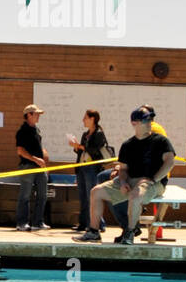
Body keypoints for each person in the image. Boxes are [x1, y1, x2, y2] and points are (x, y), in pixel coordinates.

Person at [74, 106, 176, 244]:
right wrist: (122, 182)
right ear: (135, 123)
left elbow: (169, 162)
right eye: (146, 121)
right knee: (96, 192)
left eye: (150, 121)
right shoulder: (128, 144)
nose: (150, 123)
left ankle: (129, 232)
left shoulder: (161, 141)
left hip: (152, 182)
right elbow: (122, 169)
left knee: (135, 195)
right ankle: (93, 231)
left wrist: (153, 179)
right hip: (131, 180)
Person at [71, 109, 111, 233]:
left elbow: (95, 151)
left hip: (92, 169)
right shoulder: (85, 134)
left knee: (92, 196)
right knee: (83, 196)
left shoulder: (99, 134)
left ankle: (98, 224)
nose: (83, 120)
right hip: (82, 167)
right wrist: (76, 147)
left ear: (92, 119)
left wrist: (81, 146)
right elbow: (82, 151)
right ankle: (83, 223)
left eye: (85, 118)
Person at [14, 103, 50, 231]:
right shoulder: (22, 131)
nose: (38, 116)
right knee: (25, 195)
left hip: (40, 168)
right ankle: (22, 223)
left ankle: (38, 222)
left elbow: (39, 148)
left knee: (43, 195)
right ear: (28, 115)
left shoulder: (36, 130)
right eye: (36, 114)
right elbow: (20, 151)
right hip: (28, 167)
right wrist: (35, 159)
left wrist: (44, 159)